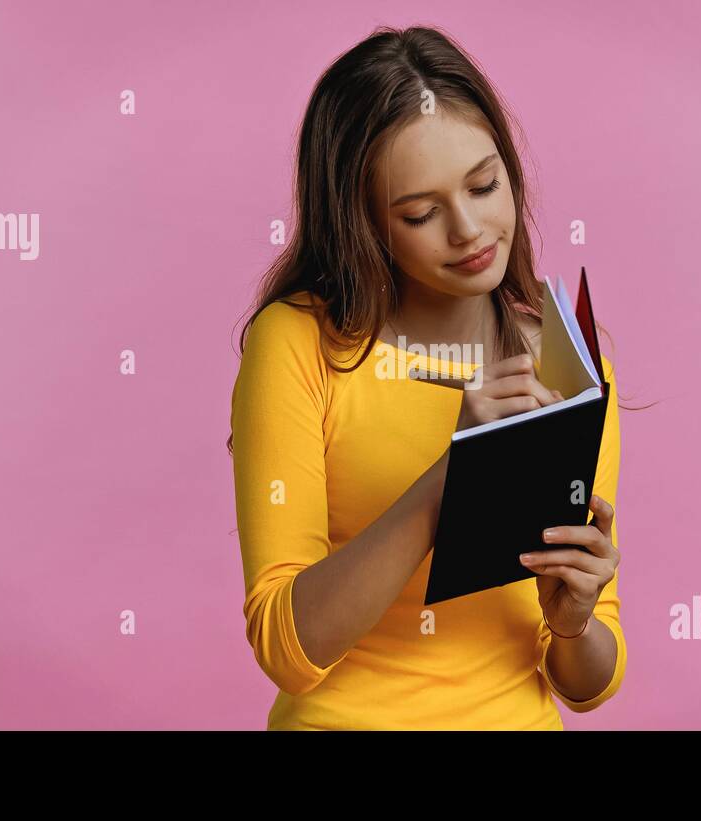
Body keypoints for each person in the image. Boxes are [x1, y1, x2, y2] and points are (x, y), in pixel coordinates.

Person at [228, 25, 626, 729]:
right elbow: (287, 646)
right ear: (365, 225)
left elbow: (588, 681)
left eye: (484, 184)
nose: (469, 229)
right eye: (420, 213)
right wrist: (454, 476)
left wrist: (574, 622)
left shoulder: (562, 365)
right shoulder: (297, 342)